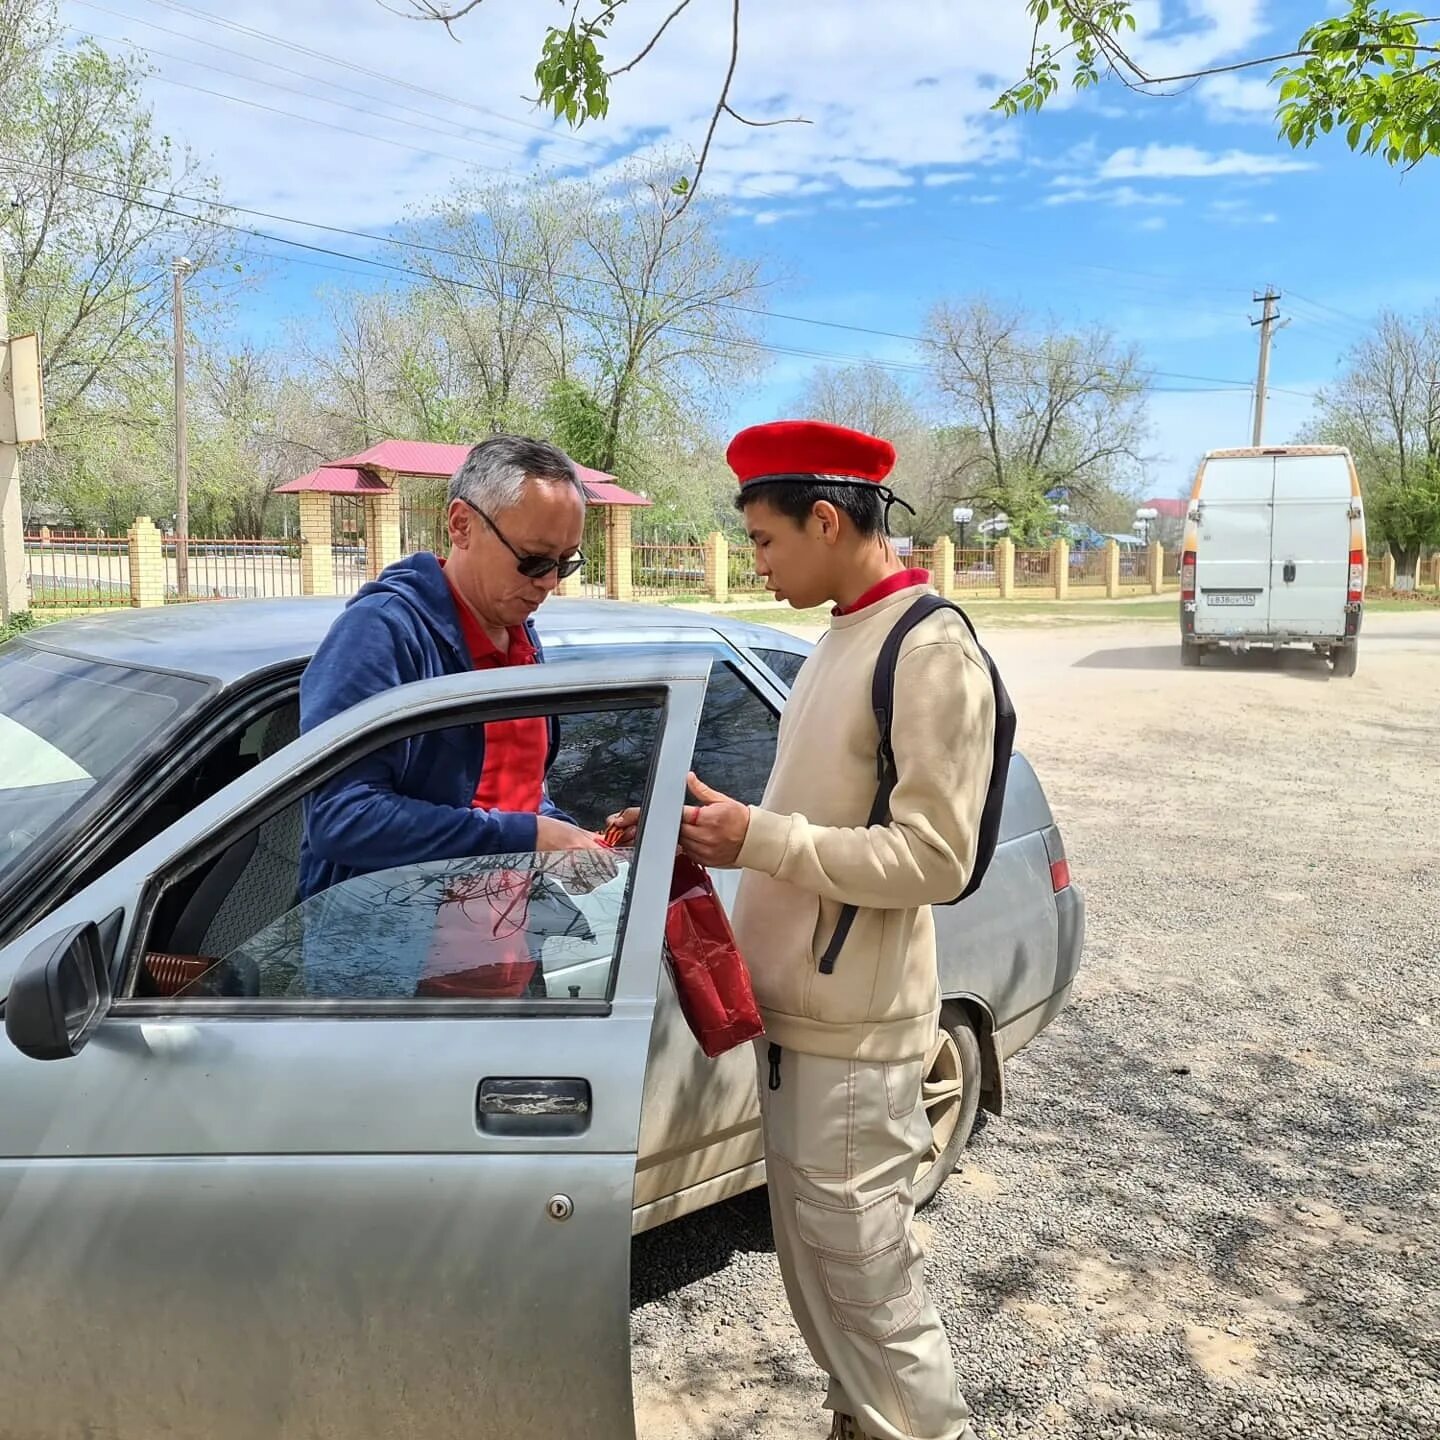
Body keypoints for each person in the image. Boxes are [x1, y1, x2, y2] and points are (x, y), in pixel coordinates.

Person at [655, 420, 996, 1440]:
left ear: (825, 518)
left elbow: (938, 859)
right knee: (829, 1298)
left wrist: (762, 838)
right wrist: (726, 819)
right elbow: (823, 818)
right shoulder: (844, 634)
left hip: (855, 1043)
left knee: (872, 1300)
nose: (756, 563)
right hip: (802, 1031)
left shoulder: (928, 651)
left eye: (764, 541)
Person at [298, 434, 607, 928]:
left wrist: (574, 839)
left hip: (513, 966)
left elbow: (518, 794)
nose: (549, 582)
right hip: (393, 981)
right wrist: (523, 837)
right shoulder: (382, 633)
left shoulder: (520, 636)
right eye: (534, 559)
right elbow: (342, 818)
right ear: (461, 524)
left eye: (565, 563)